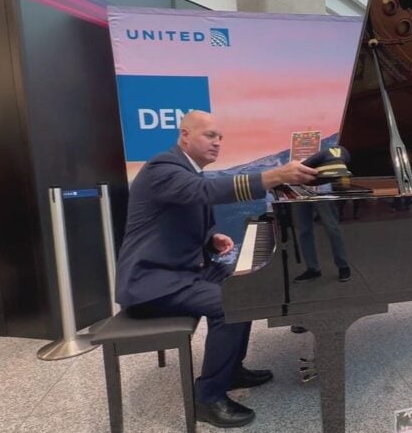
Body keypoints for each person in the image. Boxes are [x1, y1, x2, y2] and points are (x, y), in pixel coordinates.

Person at [115, 110, 317, 428]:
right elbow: (206, 193)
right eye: (210, 135)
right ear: (184, 135)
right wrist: (275, 176)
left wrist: (211, 239)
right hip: (151, 281)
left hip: (182, 270)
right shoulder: (163, 168)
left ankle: (230, 368)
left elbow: (179, 214)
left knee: (244, 286)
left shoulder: (188, 171)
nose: (218, 142)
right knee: (231, 303)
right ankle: (207, 397)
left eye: (220, 137)